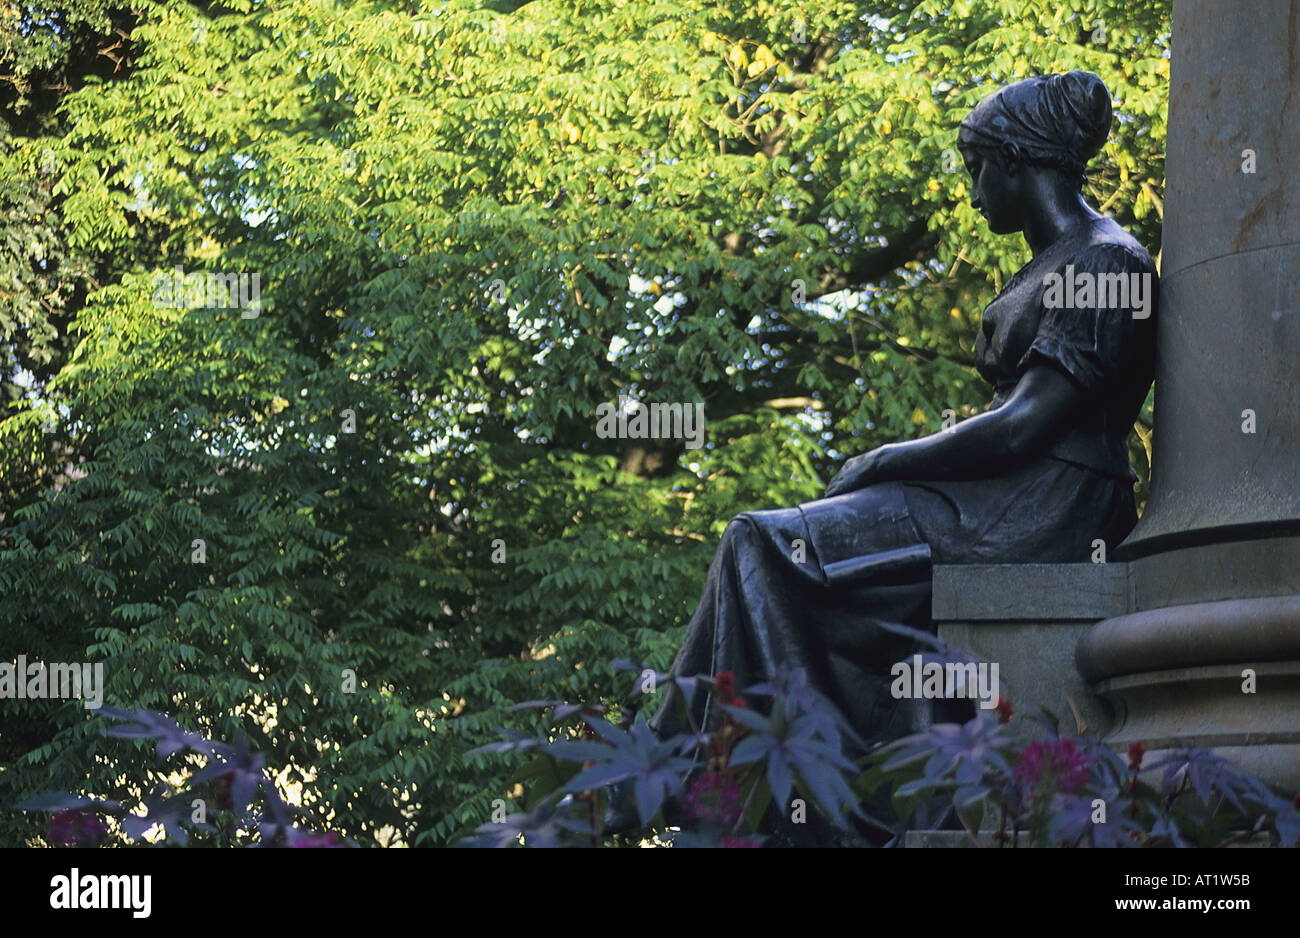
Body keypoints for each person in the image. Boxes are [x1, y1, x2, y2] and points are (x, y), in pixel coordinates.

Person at [645, 70, 1158, 841]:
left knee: (764, 538)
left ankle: (689, 783)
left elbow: (1023, 425)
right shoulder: (1059, 259)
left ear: (1015, 161)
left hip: (1046, 506)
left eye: (975, 167)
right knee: (770, 548)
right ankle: (760, 797)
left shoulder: (1105, 263)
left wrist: (884, 459)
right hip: (1004, 497)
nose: (972, 189)